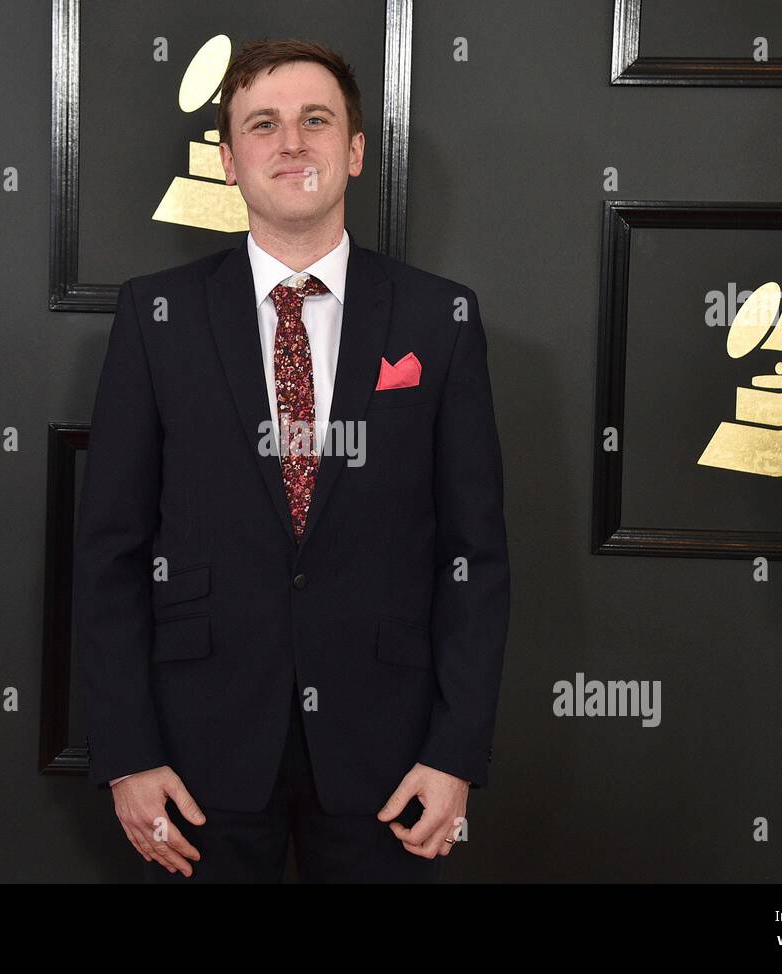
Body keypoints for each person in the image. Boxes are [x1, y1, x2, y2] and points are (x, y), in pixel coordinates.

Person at [74, 37, 509, 883]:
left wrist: (456, 751)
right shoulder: (156, 317)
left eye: (316, 120)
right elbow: (109, 554)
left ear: (355, 150)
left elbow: (475, 555)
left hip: (391, 755)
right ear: (229, 160)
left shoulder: (440, 319)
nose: (291, 143)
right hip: (196, 750)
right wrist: (126, 754)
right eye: (263, 125)